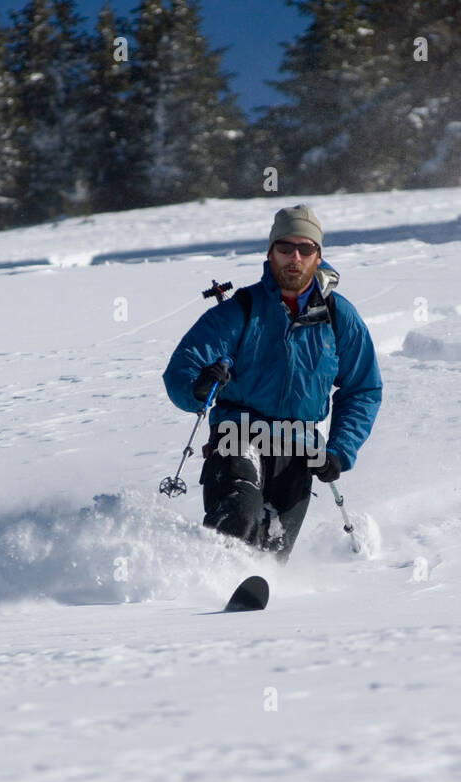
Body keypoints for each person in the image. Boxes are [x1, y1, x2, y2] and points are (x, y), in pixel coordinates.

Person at [162, 204, 382, 559]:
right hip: (238, 433)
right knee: (239, 517)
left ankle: (248, 598)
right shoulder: (241, 310)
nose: (294, 257)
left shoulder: (339, 317)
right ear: (270, 253)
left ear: (317, 255)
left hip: (299, 448)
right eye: (285, 248)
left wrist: (339, 451)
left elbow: (363, 389)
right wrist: (197, 388)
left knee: (272, 552)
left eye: (305, 249)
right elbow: (181, 369)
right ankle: (208, 582)